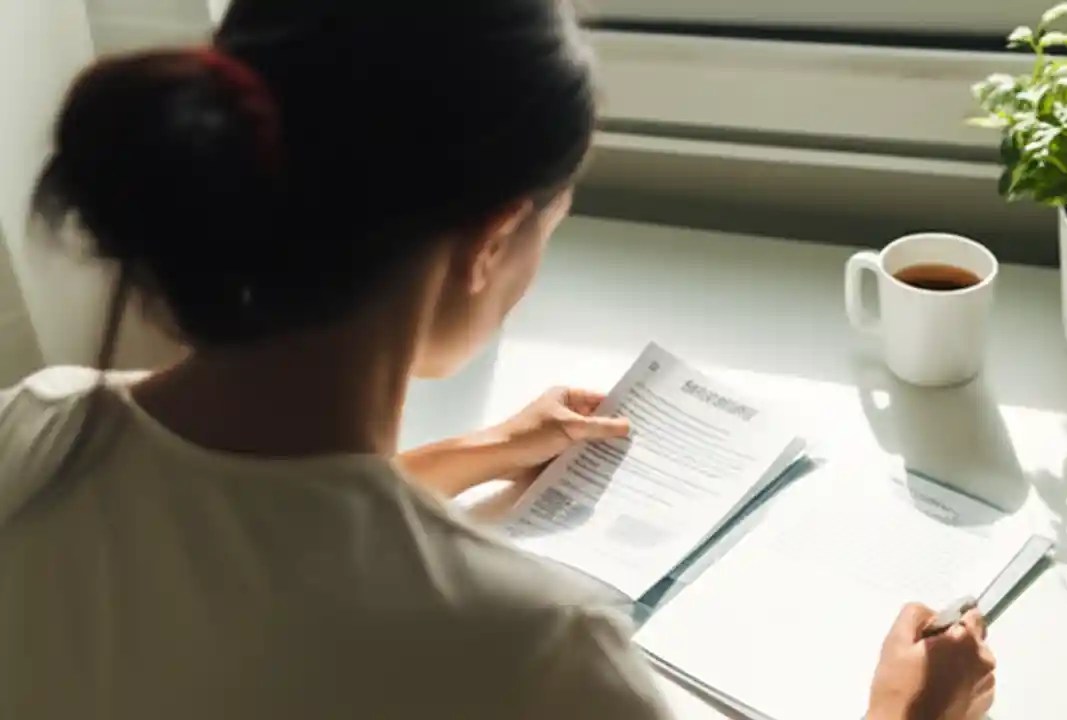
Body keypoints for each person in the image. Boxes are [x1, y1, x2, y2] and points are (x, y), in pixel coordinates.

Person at [0, 1, 996, 718]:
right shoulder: (532, 650)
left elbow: (224, 535)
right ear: (489, 240)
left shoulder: (35, 425)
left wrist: (466, 455)